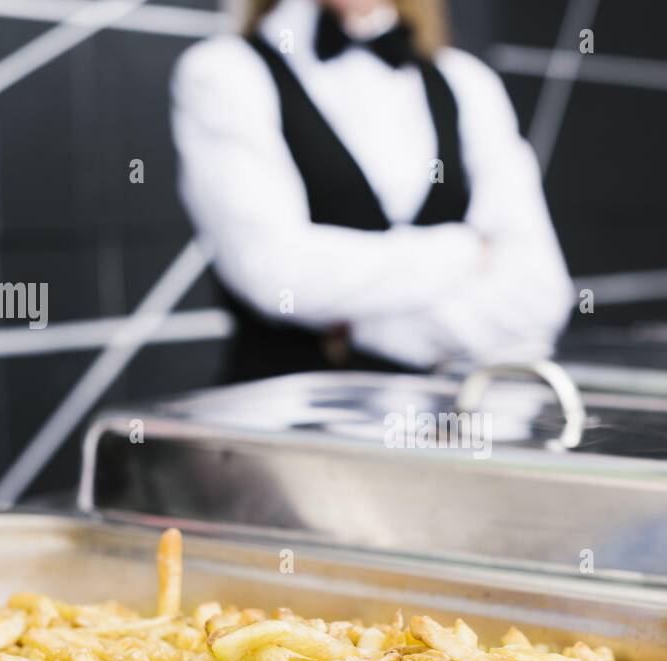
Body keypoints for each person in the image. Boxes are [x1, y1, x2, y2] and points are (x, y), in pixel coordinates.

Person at [171, 0, 574, 381]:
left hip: (445, 429)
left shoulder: (467, 81)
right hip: (289, 426)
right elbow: (275, 275)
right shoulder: (223, 73)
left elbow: (541, 294)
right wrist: (466, 251)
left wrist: (352, 324)